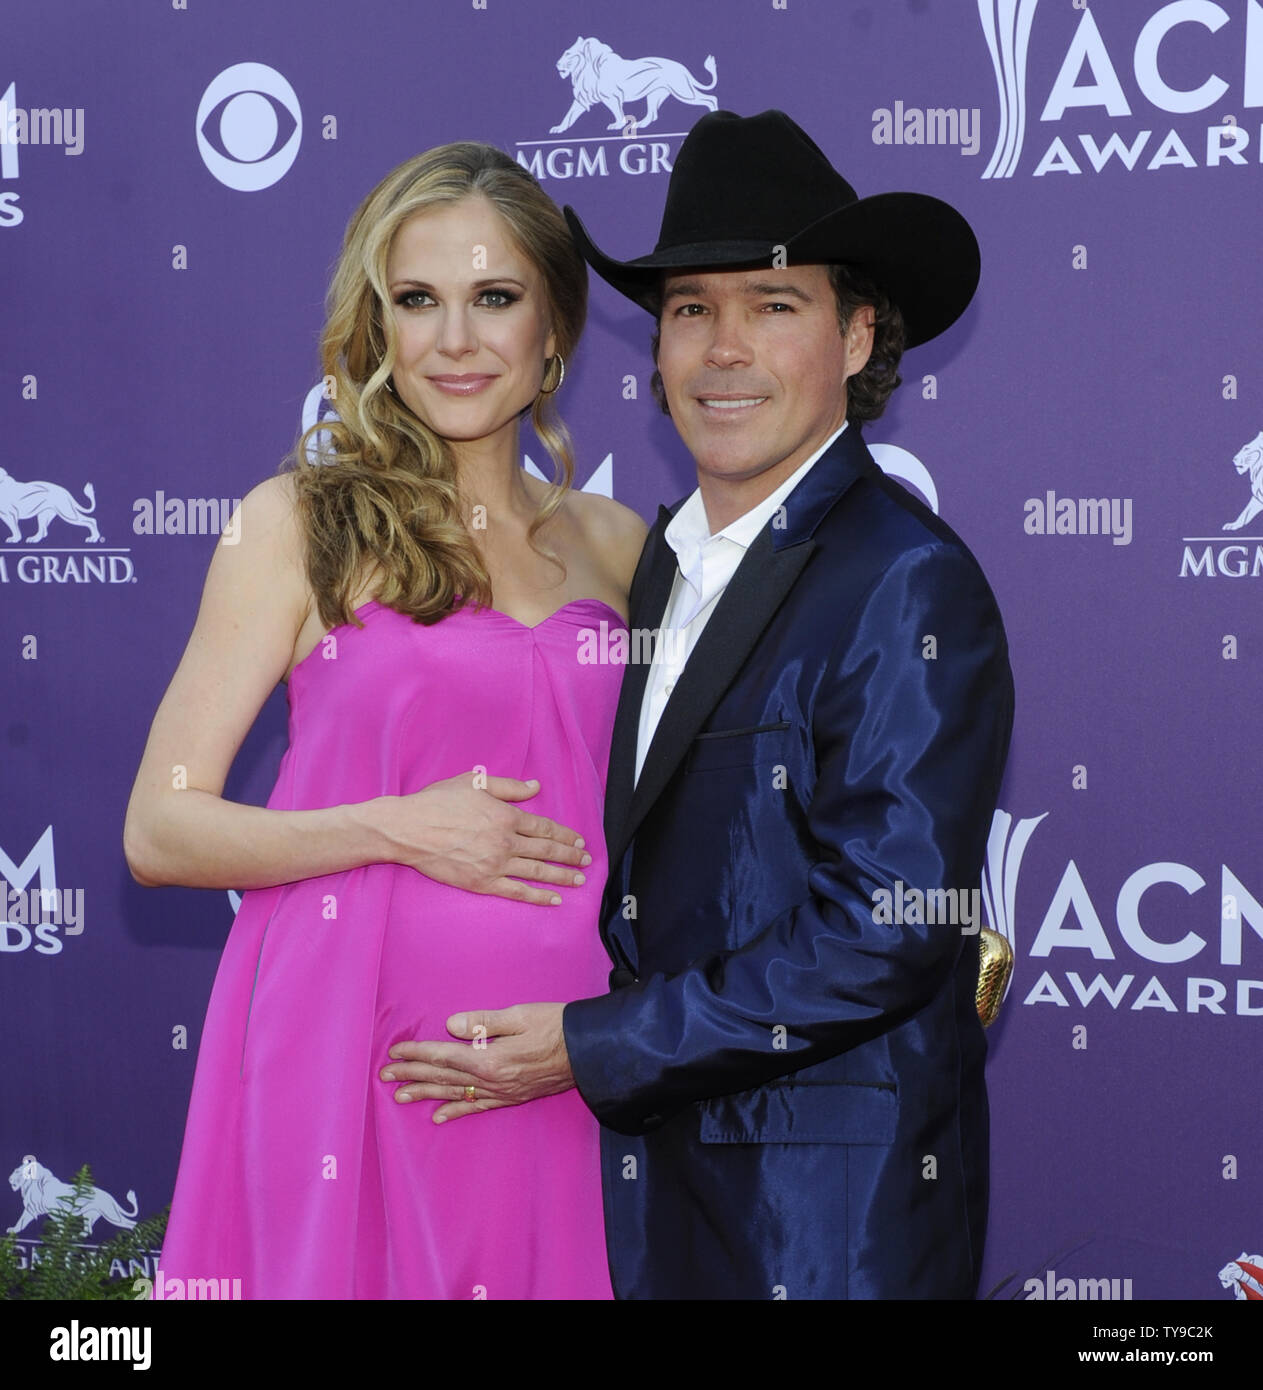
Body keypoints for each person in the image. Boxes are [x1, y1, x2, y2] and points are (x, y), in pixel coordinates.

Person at [382, 110, 1015, 1300]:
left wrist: (587, 1044)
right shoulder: (661, 561)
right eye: (690, 309)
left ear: (858, 331)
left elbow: (885, 927)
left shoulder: (905, 579)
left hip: (825, 1232)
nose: (724, 349)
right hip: (650, 1201)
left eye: (774, 307)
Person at [123, 141, 646, 1299]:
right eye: (419, 301)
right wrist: (403, 827)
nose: (454, 340)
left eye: (493, 298)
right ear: (379, 327)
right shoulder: (297, 525)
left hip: (559, 1068)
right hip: (350, 1061)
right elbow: (160, 834)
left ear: (555, 329)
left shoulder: (620, 544)